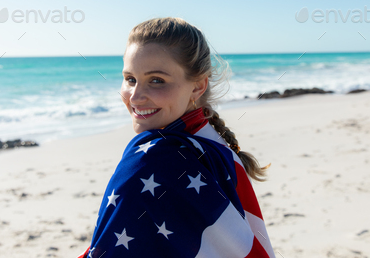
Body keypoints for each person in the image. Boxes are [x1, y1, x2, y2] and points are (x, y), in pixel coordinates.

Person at [77, 17, 275, 257]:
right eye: (130, 79)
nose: (136, 96)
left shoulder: (155, 158)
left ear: (197, 86)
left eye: (157, 80)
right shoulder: (214, 144)